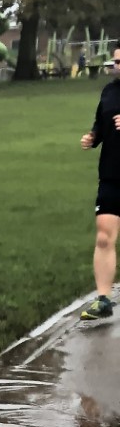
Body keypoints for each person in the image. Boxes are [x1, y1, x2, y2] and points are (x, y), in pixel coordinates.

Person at [79, 46, 120, 321]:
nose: (116, 65)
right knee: (104, 235)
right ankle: (103, 299)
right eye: (115, 61)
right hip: (112, 175)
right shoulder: (109, 92)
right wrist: (93, 137)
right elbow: (101, 123)